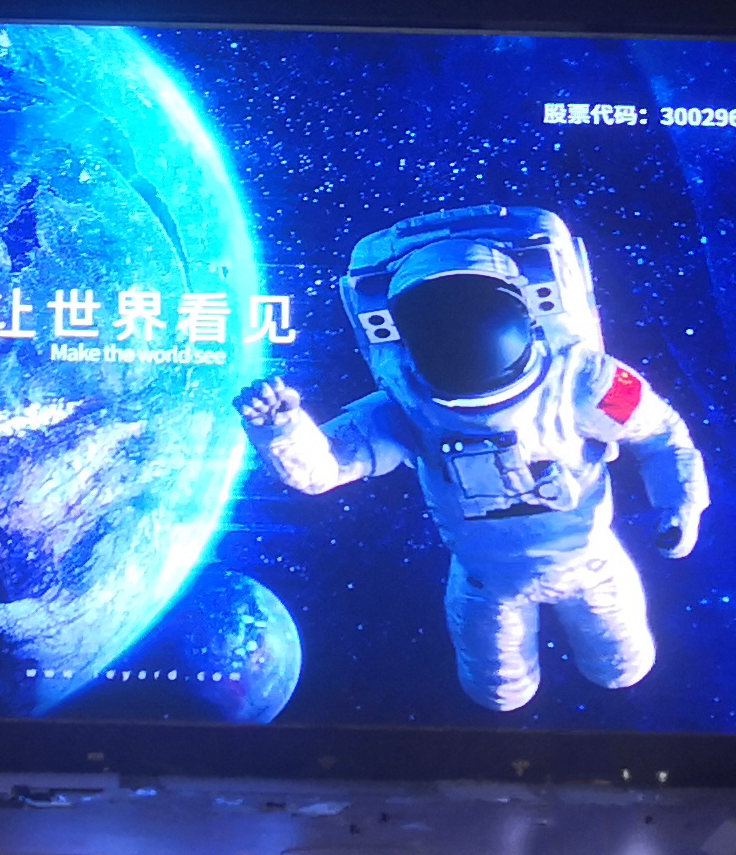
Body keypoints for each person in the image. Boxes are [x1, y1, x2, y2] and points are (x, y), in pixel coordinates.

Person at [238, 204, 706, 716]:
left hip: (584, 562)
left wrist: (680, 505)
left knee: (621, 666)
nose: (459, 342)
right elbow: (323, 466)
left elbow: (661, 437)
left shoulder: (580, 380)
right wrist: (282, 428)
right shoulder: (408, 405)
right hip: (486, 579)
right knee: (501, 692)